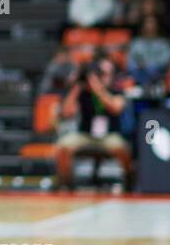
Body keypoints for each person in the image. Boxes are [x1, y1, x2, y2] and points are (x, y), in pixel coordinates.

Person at [54, 57, 133, 190]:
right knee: (63, 145)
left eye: (104, 74)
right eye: (99, 74)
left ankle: (129, 181)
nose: (102, 77)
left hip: (109, 135)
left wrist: (98, 88)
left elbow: (115, 108)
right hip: (85, 135)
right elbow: (66, 113)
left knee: (121, 148)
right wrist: (77, 87)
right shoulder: (83, 92)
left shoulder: (115, 91)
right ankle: (67, 184)